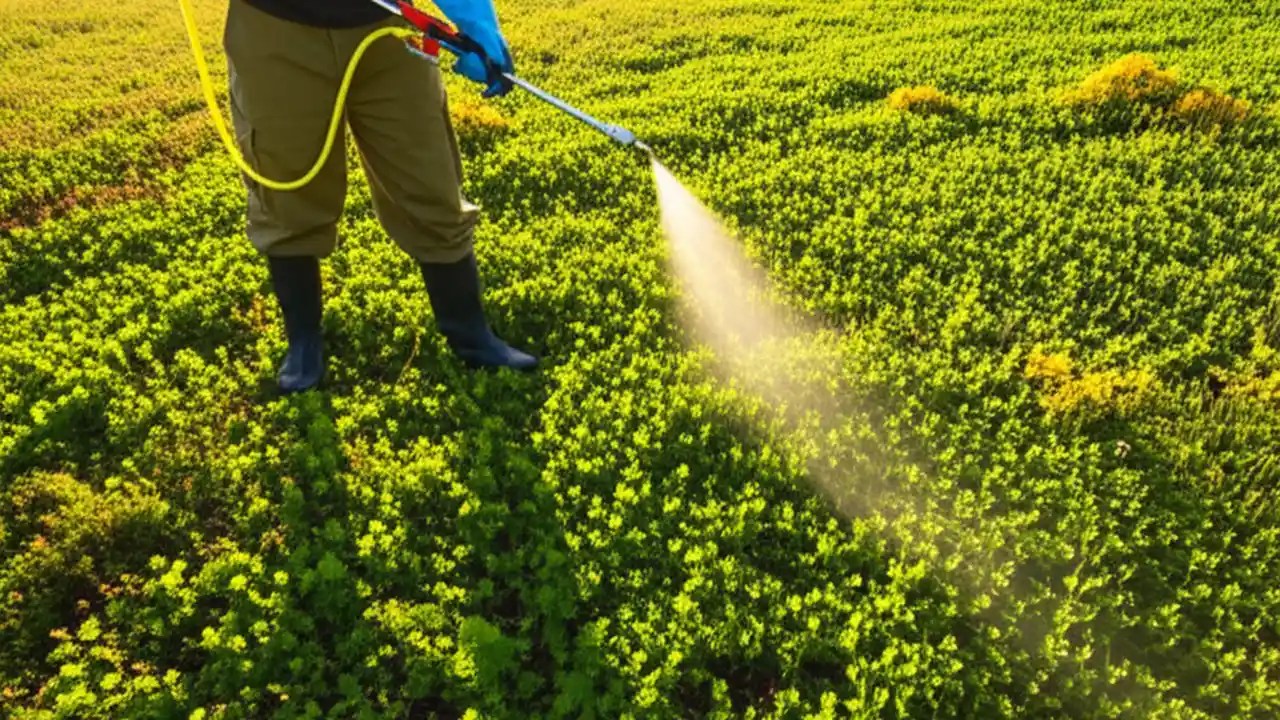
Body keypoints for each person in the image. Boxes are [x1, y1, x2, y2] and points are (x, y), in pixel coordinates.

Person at [223, 0, 537, 393]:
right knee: (288, 185)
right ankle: (303, 341)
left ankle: (472, 335)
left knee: (430, 179)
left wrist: (475, 20)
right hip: (274, 25)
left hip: (386, 23)